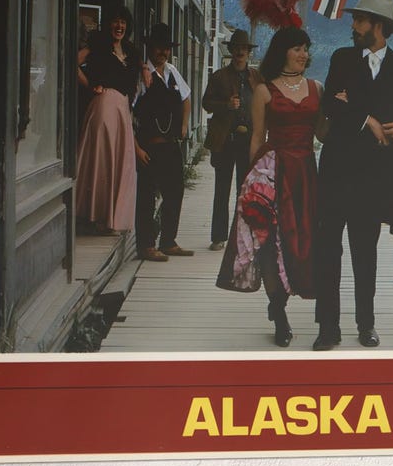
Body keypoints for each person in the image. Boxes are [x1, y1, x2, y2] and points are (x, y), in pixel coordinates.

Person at [312, 0, 393, 350]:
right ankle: (328, 327)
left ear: (378, 26)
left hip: (375, 180)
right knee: (329, 251)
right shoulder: (342, 59)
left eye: (359, 20)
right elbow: (331, 102)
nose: (354, 26)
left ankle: (366, 324)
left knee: (366, 253)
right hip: (336, 174)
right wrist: (369, 120)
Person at [216, 26, 325, 347]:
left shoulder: (317, 88)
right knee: (270, 241)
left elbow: (324, 134)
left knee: (299, 242)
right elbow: (256, 138)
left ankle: (282, 303)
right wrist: (249, 183)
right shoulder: (264, 91)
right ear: (282, 51)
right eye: (297, 48)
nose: (304, 54)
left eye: (306, 48)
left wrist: (347, 110)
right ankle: (279, 312)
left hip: (305, 174)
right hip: (271, 173)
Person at [74, 4, 139, 234]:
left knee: (121, 162)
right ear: (108, 24)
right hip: (103, 107)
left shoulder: (130, 51)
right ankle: (96, 216)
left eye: (123, 22)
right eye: (115, 21)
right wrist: (90, 85)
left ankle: (112, 218)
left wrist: (146, 70)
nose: (119, 26)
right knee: (103, 161)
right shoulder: (99, 46)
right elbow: (73, 62)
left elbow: (135, 75)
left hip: (122, 109)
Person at [132, 22, 194, 261]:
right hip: (148, 146)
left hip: (170, 144)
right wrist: (136, 148)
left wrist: (184, 125)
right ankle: (146, 245)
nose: (163, 52)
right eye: (159, 48)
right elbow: (128, 111)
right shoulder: (142, 74)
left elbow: (186, 98)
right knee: (146, 196)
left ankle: (168, 241)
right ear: (150, 48)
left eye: (166, 48)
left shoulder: (170, 71)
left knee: (175, 191)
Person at [202, 30, 260, 250]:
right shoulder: (218, 77)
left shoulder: (256, 77)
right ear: (230, 50)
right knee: (222, 189)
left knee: (245, 192)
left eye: (243, 49)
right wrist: (225, 106)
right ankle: (218, 237)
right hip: (225, 141)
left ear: (248, 52)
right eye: (236, 48)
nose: (239, 52)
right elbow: (206, 103)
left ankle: (243, 236)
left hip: (247, 142)